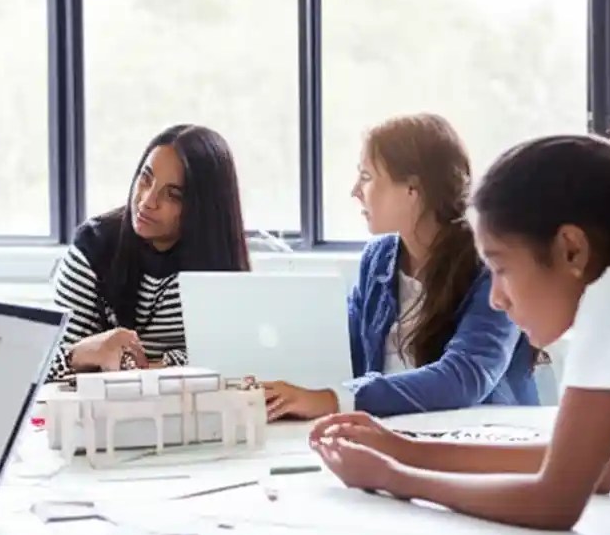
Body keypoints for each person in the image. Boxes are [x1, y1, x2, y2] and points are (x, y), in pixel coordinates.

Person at [310, 128, 610, 535]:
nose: (496, 299)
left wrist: (396, 477)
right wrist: (405, 449)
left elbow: (554, 500)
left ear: (572, 249)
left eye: (501, 268)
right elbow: (600, 472)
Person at [264, 114, 538, 420]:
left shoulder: (491, 265)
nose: (355, 191)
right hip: (392, 434)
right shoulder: (378, 259)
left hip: (479, 439)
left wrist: (332, 399)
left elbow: (465, 375)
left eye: (366, 177)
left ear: (412, 189)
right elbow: (346, 352)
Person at [48, 124, 250, 379]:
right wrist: (82, 354)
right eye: (145, 179)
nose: (147, 201)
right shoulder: (93, 248)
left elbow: (233, 358)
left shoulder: (219, 261)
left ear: (203, 208)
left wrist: (155, 366)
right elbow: (45, 367)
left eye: (172, 195)